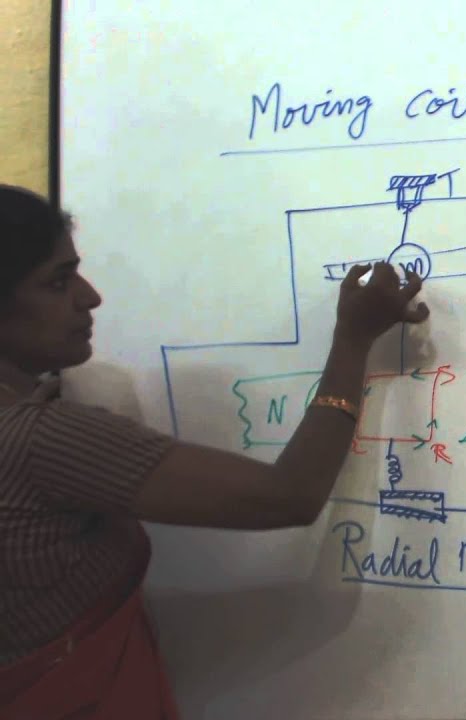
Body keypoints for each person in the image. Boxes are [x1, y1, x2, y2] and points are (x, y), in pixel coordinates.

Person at [0, 184, 430, 718]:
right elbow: (289, 496)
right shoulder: (39, 440)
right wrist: (353, 339)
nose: (89, 297)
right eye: (58, 281)